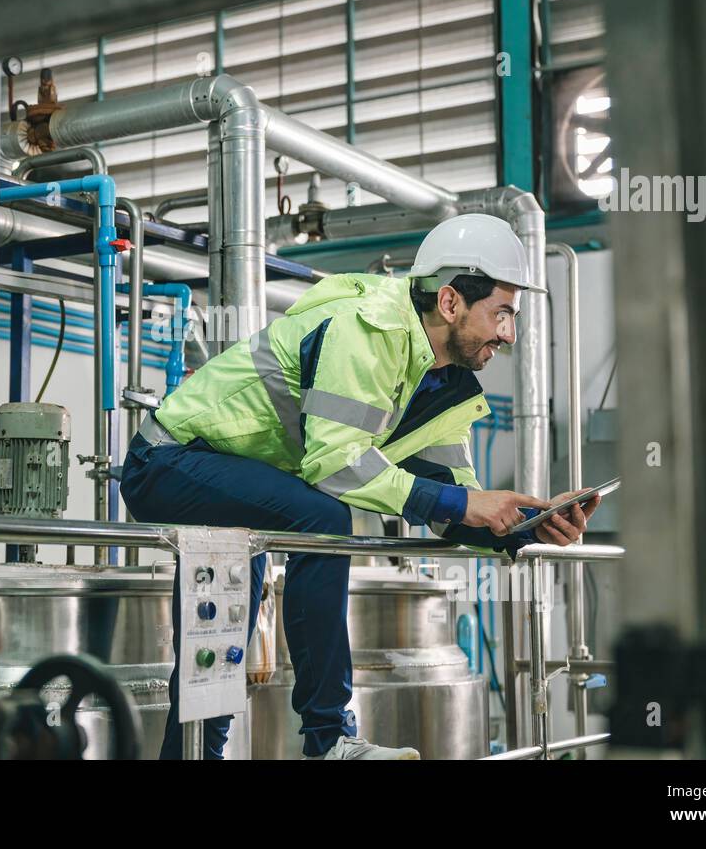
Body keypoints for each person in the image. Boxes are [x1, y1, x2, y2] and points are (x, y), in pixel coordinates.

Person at [119, 213, 599, 760]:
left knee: (221, 648)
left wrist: (522, 528)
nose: (510, 334)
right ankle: (328, 741)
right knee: (323, 519)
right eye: (502, 313)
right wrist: (468, 504)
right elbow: (336, 465)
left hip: (244, 491)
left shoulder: (447, 387)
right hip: (170, 460)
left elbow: (451, 504)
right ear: (449, 303)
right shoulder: (366, 327)